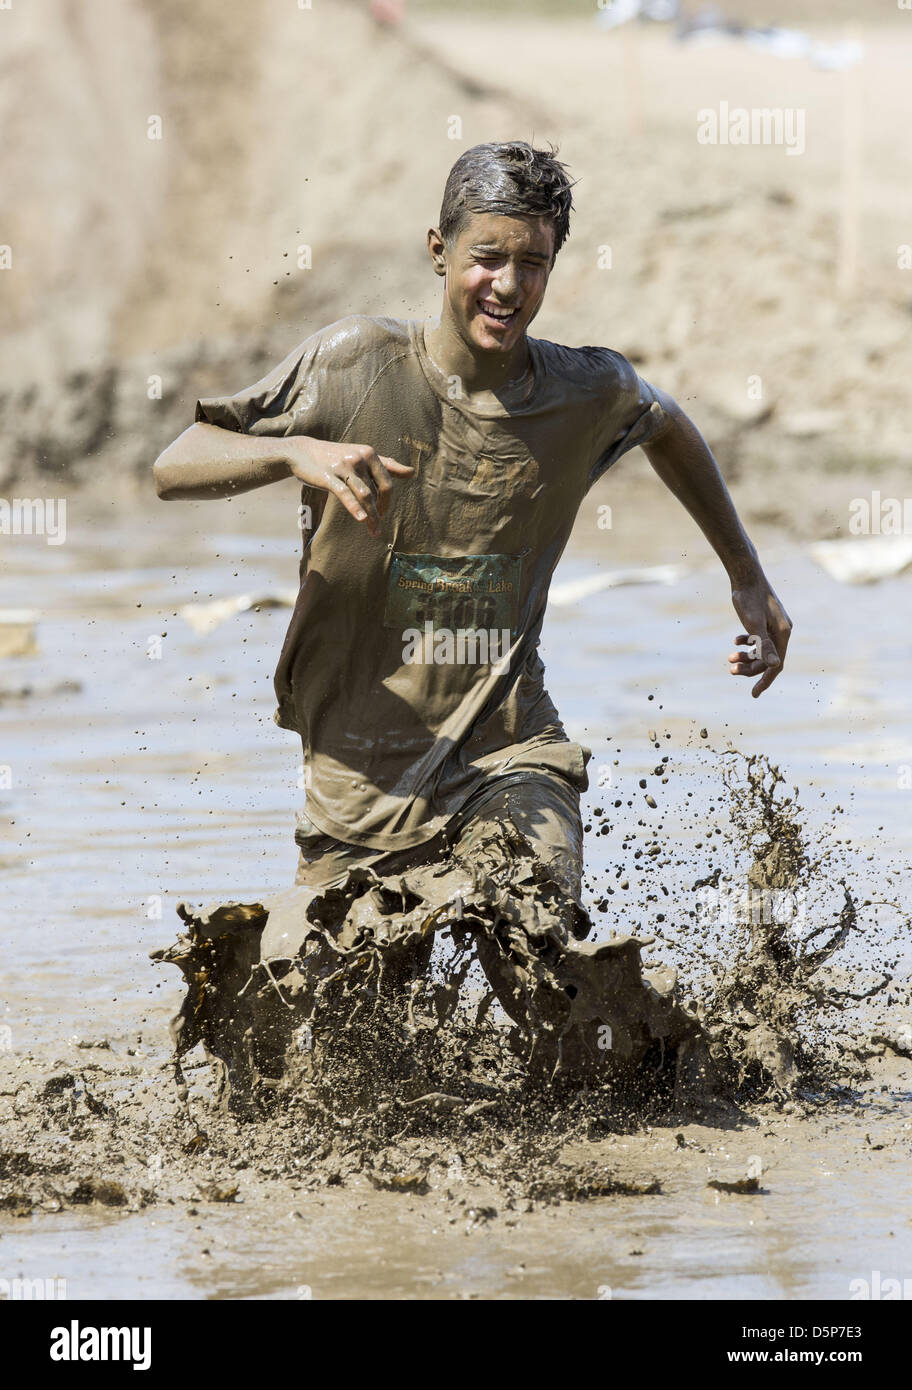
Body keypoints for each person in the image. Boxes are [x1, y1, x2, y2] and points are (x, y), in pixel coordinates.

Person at [152, 141, 791, 1074]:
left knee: (549, 979)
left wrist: (746, 574)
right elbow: (176, 463)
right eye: (488, 257)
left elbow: (662, 419)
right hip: (360, 774)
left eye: (533, 263)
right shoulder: (352, 365)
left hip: (508, 745)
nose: (509, 285)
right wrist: (294, 456)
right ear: (438, 251)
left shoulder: (581, 389)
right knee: (343, 1070)